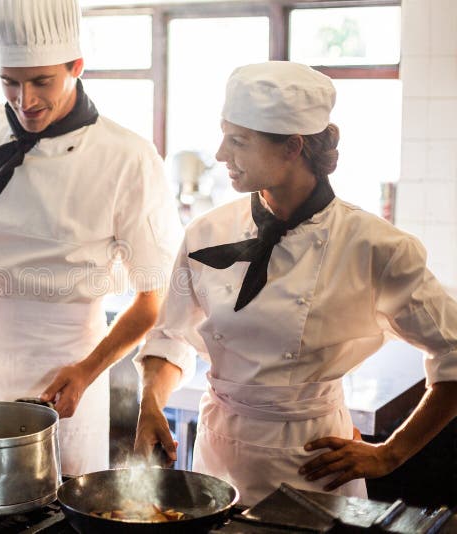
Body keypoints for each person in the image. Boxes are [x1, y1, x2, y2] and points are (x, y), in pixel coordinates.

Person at [133, 61, 457, 506]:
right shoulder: (207, 233)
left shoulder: (376, 246)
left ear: (292, 148)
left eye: (238, 141)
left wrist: (390, 455)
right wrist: (151, 402)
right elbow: (169, 338)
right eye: (225, 135)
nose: (221, 154)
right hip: (216, 458)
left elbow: (453, 352)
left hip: (313, 467)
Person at [0, 0, 182, 475]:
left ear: (76, 67)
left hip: (69, 379)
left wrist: (89, 370)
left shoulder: (127, 155)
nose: (24, 100)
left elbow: (153, 298)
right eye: (10, 81)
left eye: (41, 81)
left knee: (58, 509)